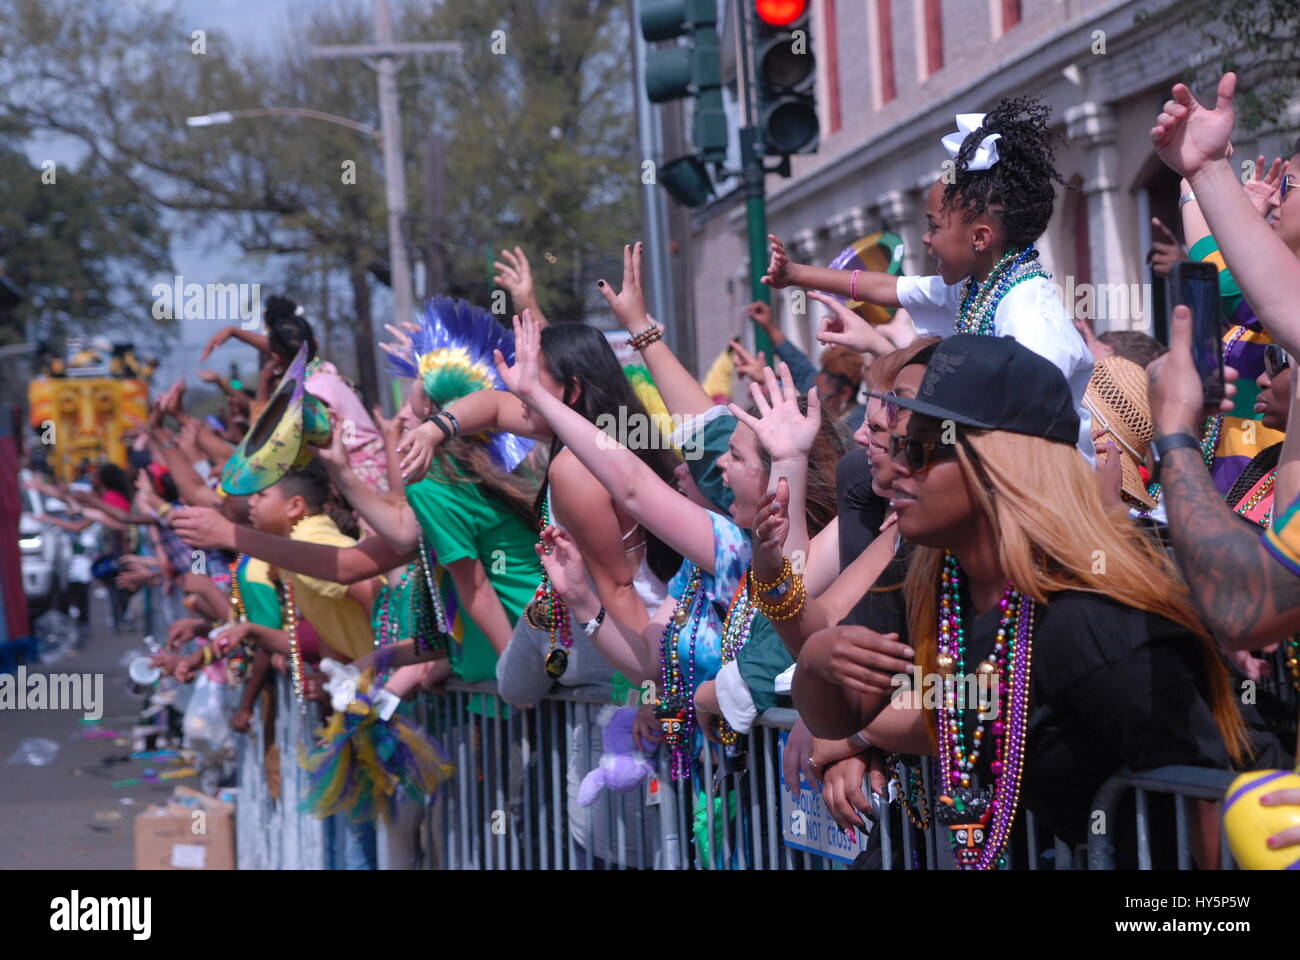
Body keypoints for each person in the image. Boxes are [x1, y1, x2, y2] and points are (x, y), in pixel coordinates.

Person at [794, 333, 1279, 866]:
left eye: (919, 449)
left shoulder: (1086, 613)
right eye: (894, 445)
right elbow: (836, 721)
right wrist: (815, 665)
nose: (887, 470)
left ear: (995, 466)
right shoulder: (936, 575)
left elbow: (1204, 799)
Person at [764, 97, 1095, 460]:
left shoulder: (1028, 316)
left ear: (980, 238)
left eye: (934, 227)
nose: (926, 239)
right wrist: (795, 274)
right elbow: (889, 288)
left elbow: (1027, 427)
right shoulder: (978, 287)